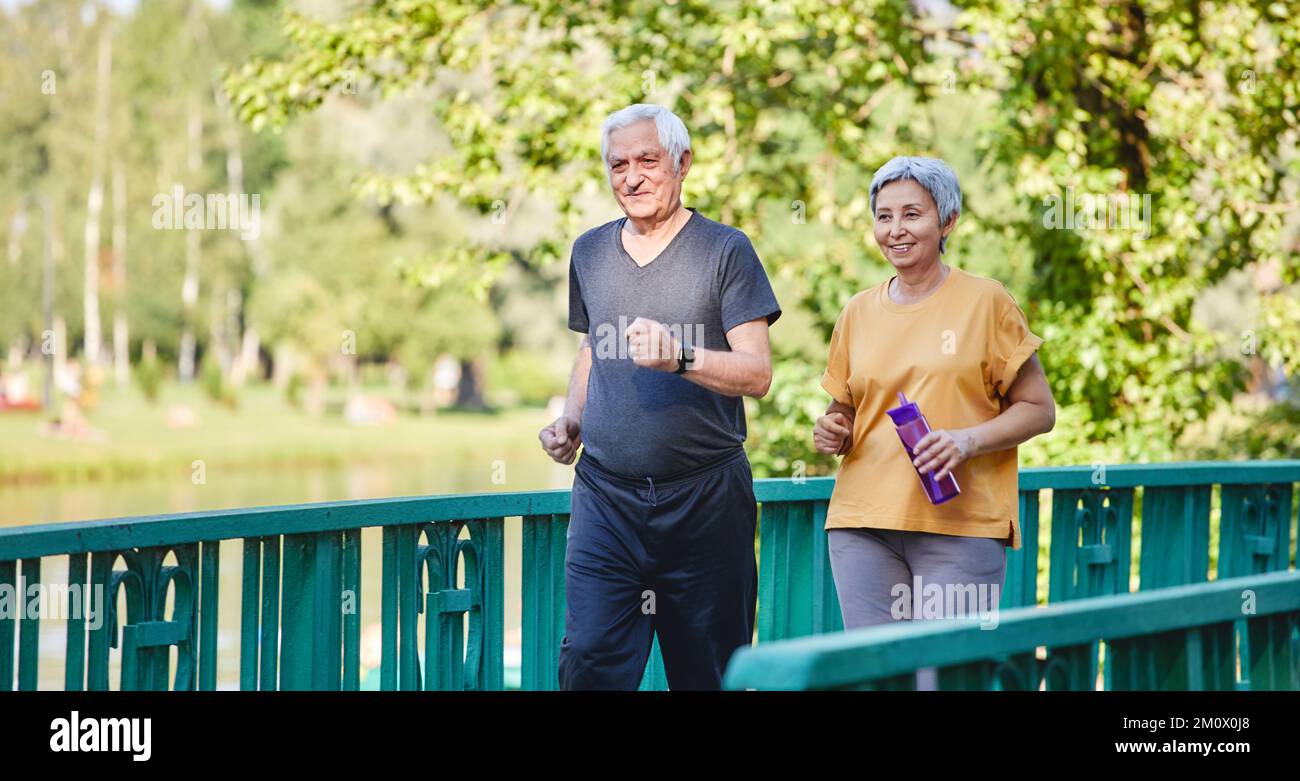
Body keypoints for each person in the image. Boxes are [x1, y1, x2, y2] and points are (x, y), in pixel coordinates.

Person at [539, 104, 781, 690]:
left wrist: (683, 358)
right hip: (606, 498)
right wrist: (572, 418)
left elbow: (758, 373)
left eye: (648, 160)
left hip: (706, 501)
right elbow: (592, 352)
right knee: (590, 661)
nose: (633, 176)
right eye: (618, 164)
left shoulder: (726, 250)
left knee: (708, 673)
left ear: (682, 163)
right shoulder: (590, 252)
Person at [813, 156, 1055, 643]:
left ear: (947, 221)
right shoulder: (857, 311)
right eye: (884, 216)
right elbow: (846, 410)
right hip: (862, 524)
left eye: (912, 214)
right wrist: (831, 429)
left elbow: (1039, 410)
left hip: (960, 526)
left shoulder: (987, 302)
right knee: (877, 678)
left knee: (943, 678)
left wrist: (966, 441)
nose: (895, 229)